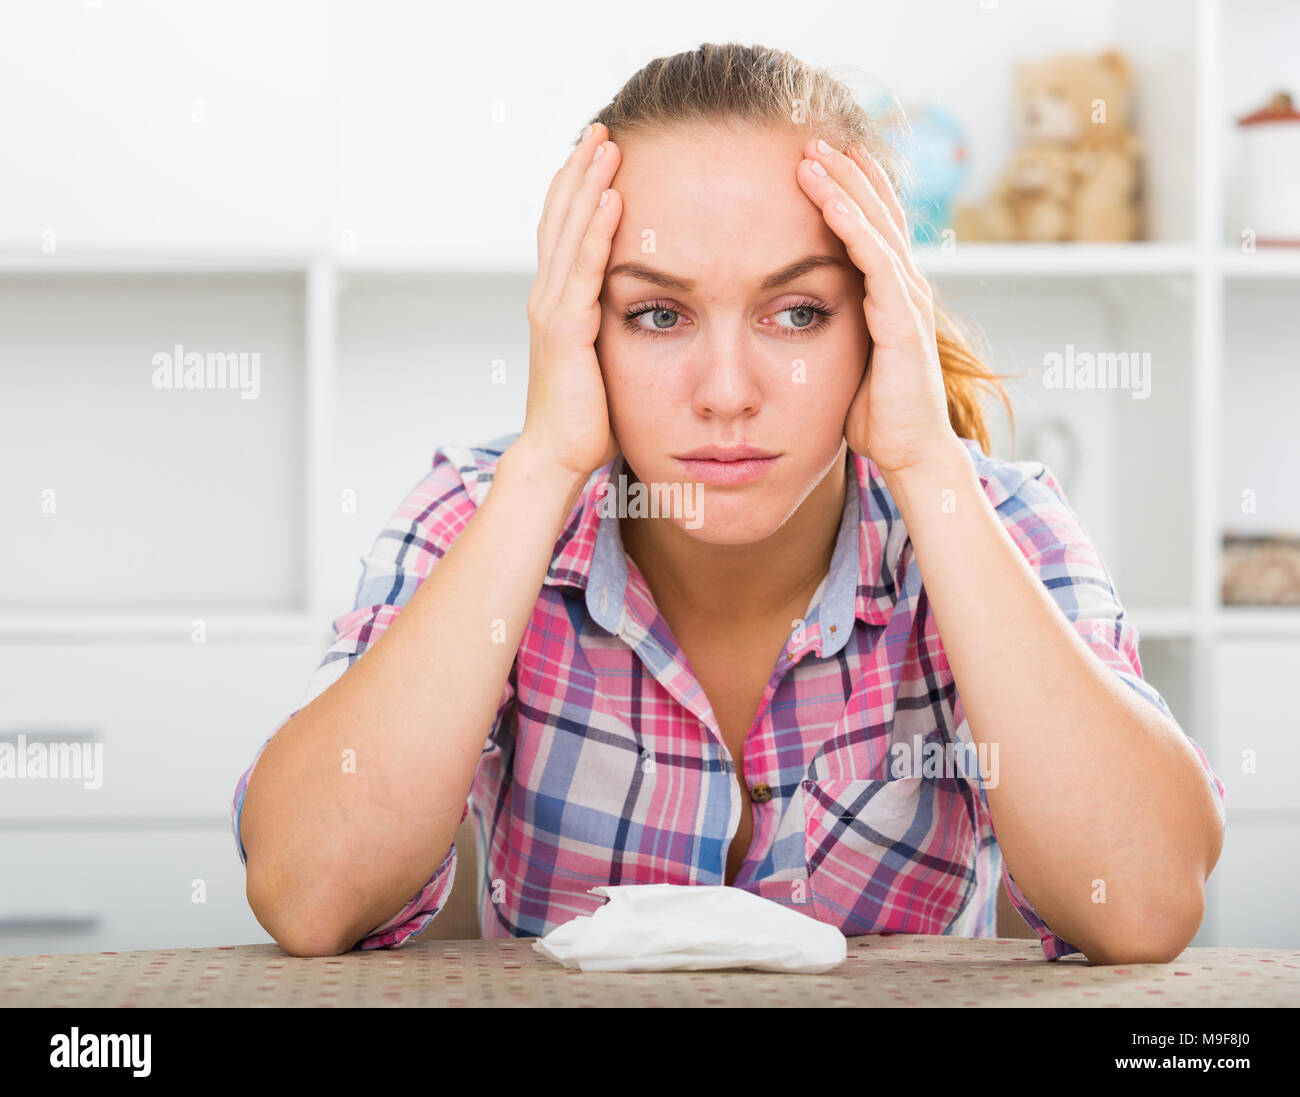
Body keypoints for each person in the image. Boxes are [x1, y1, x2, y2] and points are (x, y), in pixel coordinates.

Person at [232, 42, 1225, 963]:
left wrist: (928, 464)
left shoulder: (992, 523)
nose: (725, 389)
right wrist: (545, 462)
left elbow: (1140, 902)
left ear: (878, 326)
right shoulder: (481, 510)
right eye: (656, 314)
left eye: (796, 313)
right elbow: (311, 892)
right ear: (580, 331)